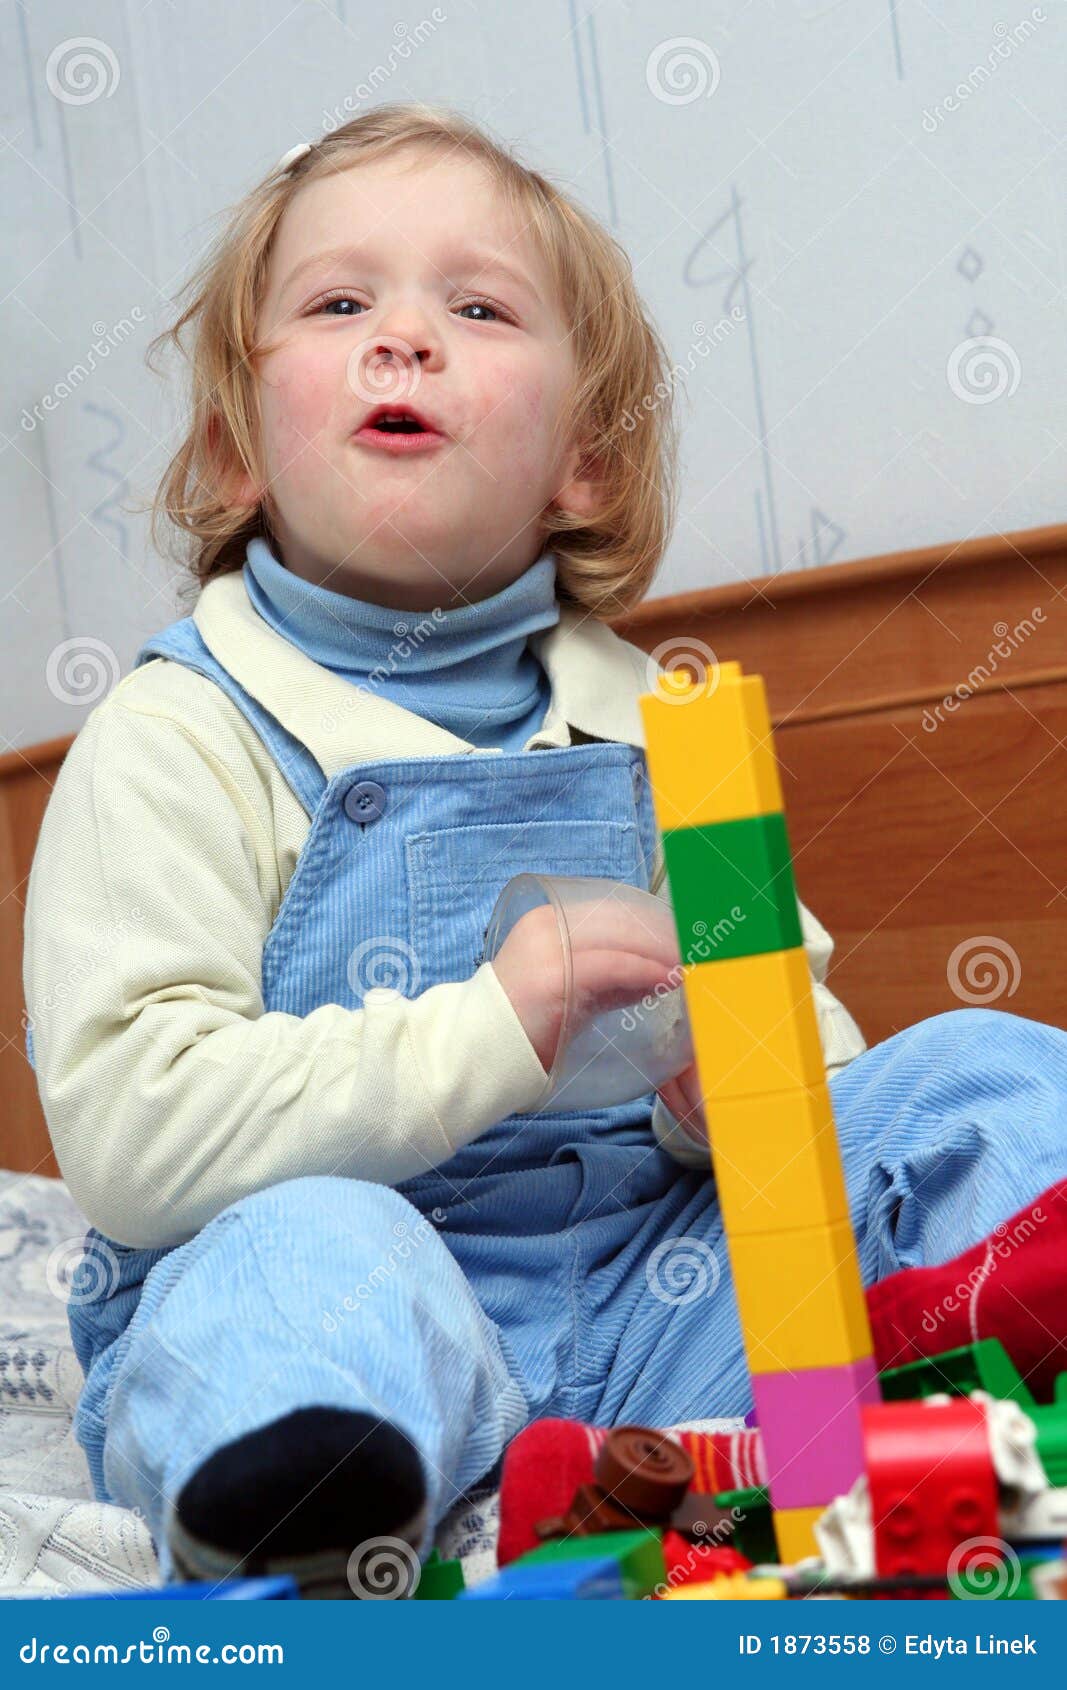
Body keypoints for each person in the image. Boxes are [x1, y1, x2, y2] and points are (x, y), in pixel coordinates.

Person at [22, 103, 1067, 1598]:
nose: (405, 336)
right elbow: (133, 1139)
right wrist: (495, 1024)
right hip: (369, 1306)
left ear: (582, 460)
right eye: (338, 301)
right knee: (301, 1260)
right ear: (230, 449)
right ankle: (315, 1520)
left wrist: (739, 1083)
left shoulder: (665, 726)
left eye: (478, 306)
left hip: (670, 1312)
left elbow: (807, 1061)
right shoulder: (179, 733)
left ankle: (993, 1341)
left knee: (975, 1071)